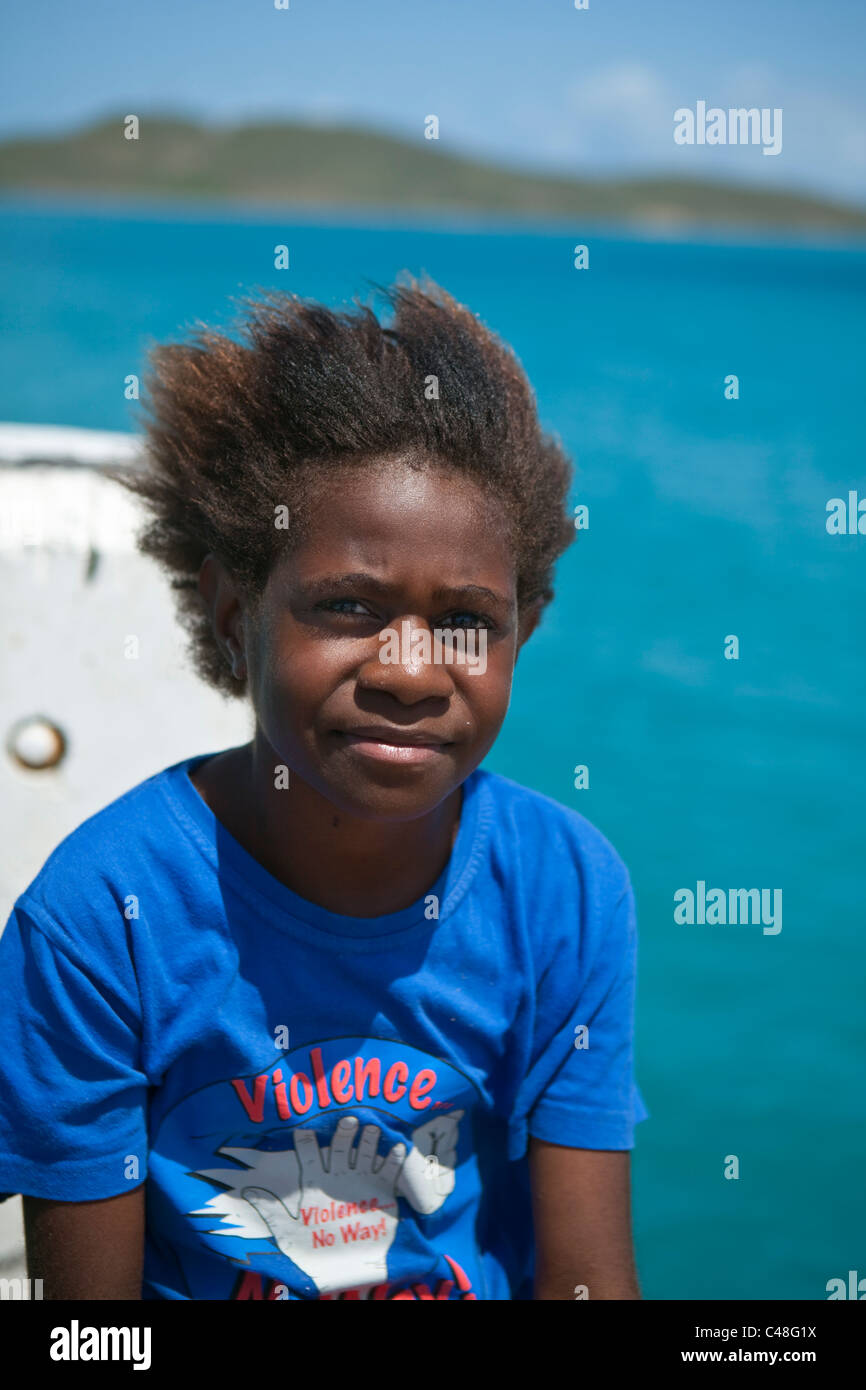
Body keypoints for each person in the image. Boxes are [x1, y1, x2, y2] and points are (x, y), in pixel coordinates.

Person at [0, 275, 648, 1300]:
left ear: (521, 629)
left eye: (466, 621)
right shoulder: (100, 918)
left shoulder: (564, 890)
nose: (406, 668)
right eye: (347, 604)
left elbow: (586, 1281)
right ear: (230, 612)